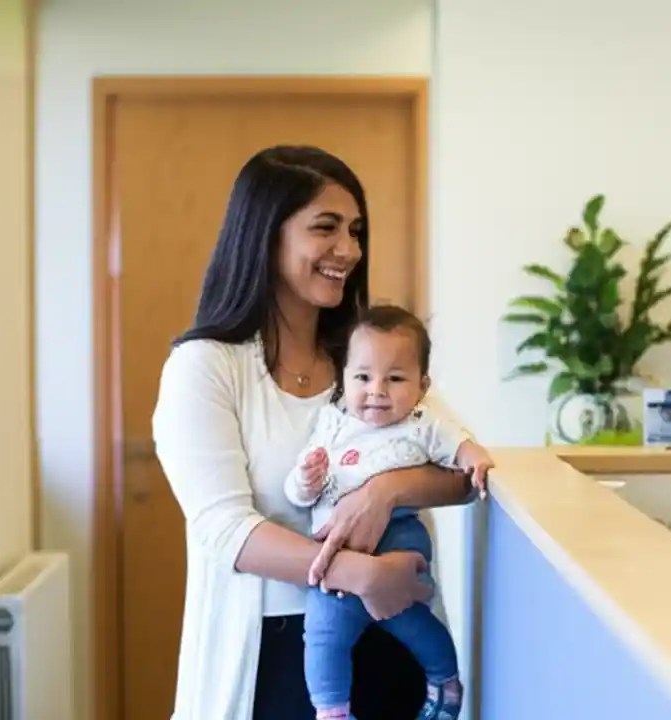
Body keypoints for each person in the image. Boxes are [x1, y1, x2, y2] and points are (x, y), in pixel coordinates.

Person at [152, 145, 476, 719]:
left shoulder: (367, 359)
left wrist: (385, 490)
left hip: (389, 636)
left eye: (356, 231)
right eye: (325, 228)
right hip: (270, 654)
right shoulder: (205, 367)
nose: (348, 250)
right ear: (266, 236)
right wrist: (363, 574)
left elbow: (462, 474)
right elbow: (226, 530)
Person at [285, 304, 493, 720]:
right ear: (344, 378)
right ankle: (331, 710)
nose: (376, 390)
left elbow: (459, 448)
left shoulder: (422, 423)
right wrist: (305, 481)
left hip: (398, 539)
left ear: (422, 384)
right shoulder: (332, 424)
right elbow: (297, 492)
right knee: (323, 634)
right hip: (336, 556)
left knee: (414, 621)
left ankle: (445, 681)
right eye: (362, 377)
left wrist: (476, 457)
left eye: (395, 379)